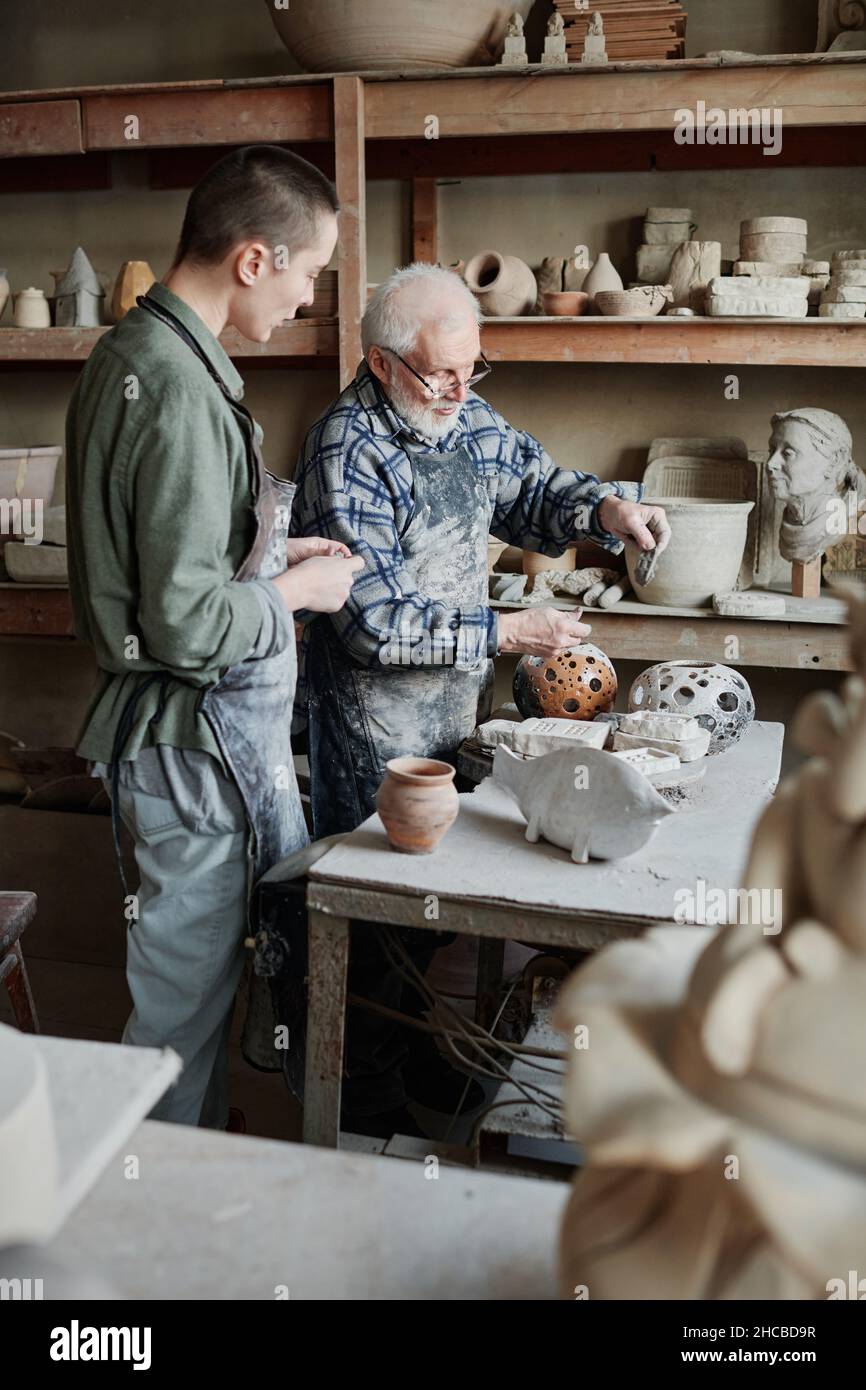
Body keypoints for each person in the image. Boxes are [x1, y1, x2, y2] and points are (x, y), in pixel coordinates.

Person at [290, 262, 669, 1137]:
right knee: (378, 928)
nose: (462, 388)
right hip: (372, 727)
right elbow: (371, 623)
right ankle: (362, 1113)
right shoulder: (348, 446)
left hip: (454, 710)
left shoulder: (462, 414)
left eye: (474, 368)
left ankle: (425, 1057)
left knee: (437, 918)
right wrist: (506, 634)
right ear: (384, 365)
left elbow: (533, 485)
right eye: (441, 373)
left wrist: (606, 509)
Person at [65, 145, 362, 1130]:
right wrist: (296, 591)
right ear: (250, 260)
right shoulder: (180, 389)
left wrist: (272, 545)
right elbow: (187, 624)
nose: (307, 296)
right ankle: (145, 1241)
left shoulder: (136, 352)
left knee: (184, 1014)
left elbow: (176, 549)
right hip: (189, 753)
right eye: (307, 272)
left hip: (173, 751)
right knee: (175, 1031)